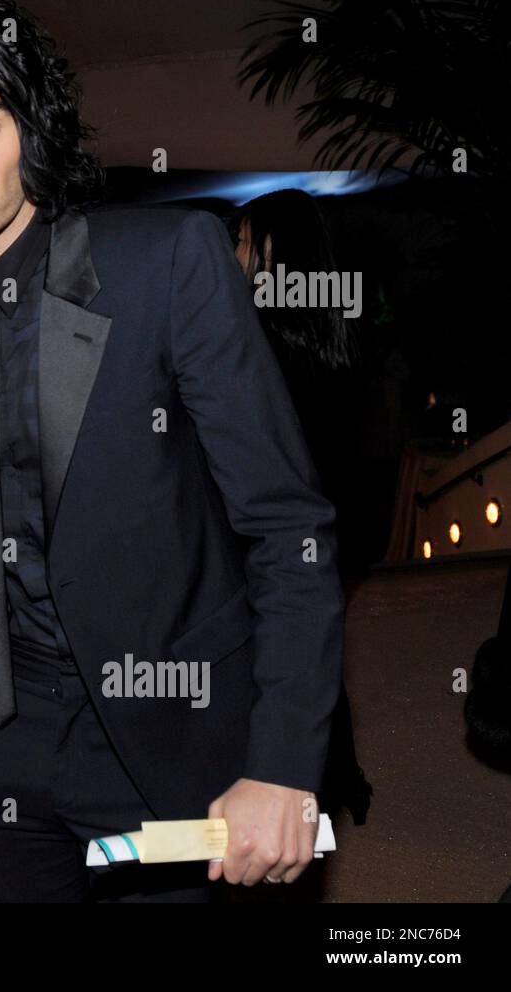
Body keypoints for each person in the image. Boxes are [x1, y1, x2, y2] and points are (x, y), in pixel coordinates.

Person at [0, 0, 343, 901]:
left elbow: (289, 528)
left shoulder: (169, 263)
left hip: (161, 729)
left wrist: (283, 763)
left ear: (31, 126)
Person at [230, 188, 373, 828]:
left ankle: (289, 784)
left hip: (271, 536)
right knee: (309, 649)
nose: (231, 254)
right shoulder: (337, 336)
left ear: (270, 250)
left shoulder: (254, 346)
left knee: (267, 658)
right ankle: (334, 778)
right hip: (331, 530)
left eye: (241, 240)